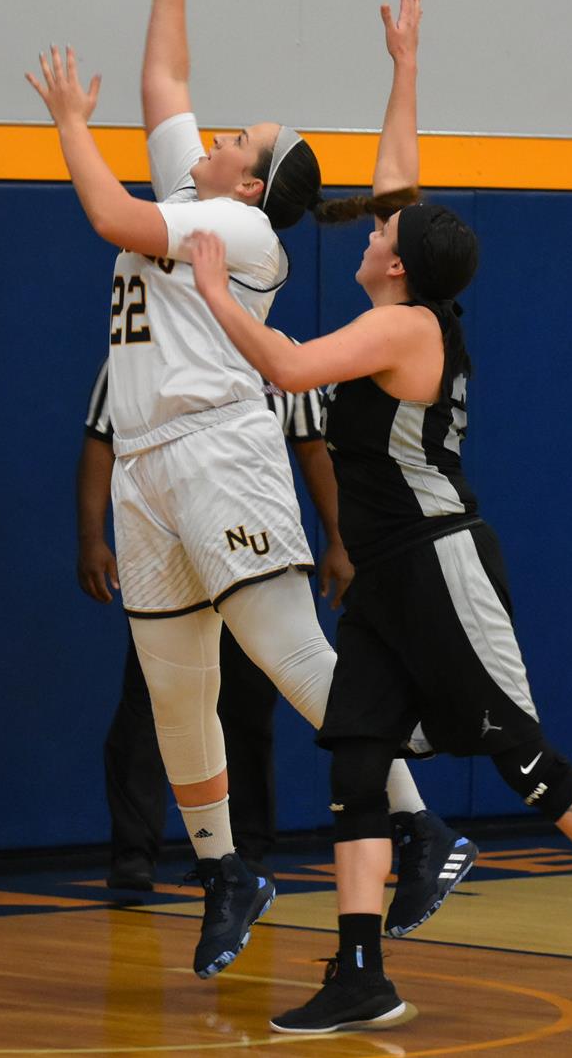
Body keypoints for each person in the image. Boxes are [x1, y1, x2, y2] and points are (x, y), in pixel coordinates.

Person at [184, 0, 572, 1034]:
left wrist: (212, 290)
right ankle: (359, 969)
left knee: (517, 750)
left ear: (398, 261)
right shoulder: (400, 300)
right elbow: (400, 176)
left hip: (439, 565)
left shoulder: (404, 330)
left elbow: (286, 360)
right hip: (388, 575)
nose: (383, 221)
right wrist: (404, 64)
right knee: (354, 751)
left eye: (394, 228)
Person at [23, 0, 470, 980]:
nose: (219, 133)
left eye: (241, 142)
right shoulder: (202, 185)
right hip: (144, 464)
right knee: (176, 685)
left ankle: (415, 825)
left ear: (252, 184)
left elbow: (110, 218)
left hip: (219, 451)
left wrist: (68, 126)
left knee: (286, 653)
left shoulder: (237, 226)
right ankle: (228, 871)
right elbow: (164, 83)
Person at [79, 364, 351, 889]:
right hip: (174, 550)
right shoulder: (134, 349)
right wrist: (92, 535)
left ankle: (248, 852)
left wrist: (340, 538)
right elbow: (99, 440)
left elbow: (313, 448)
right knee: (155, 704)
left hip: (245, 547)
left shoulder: (279, 353)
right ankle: (138, 854)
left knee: (253, 707)